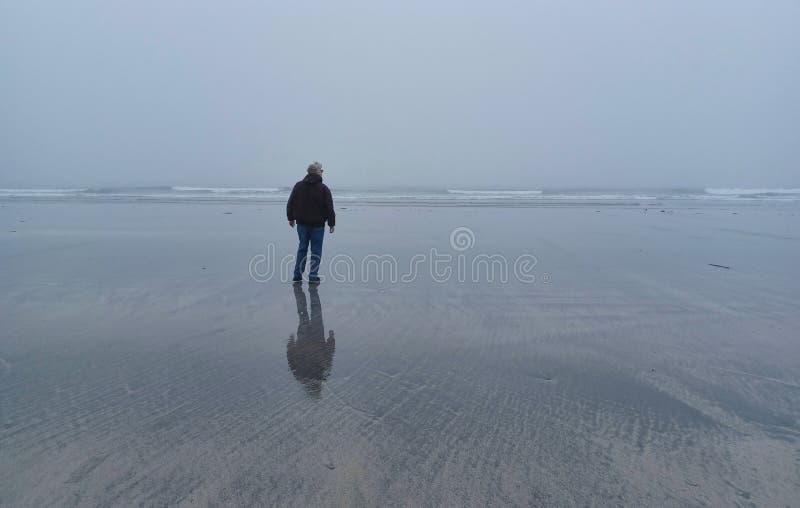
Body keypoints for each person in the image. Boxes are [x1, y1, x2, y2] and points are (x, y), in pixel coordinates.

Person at [286, 161, 335, 283]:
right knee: (316, 250)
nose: (322, 172)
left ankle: (297, 274)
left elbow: (290, 202)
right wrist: (331, 223)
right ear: (317, 172)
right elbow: (329, 208)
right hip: (318, 225)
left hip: (302, 224)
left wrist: (290, 218)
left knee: (302, 247)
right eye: (321, 171)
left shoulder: (298, 186)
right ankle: (313, 276)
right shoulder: (324, 189)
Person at [287, 284, 335, 398]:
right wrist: (290, 344)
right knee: (303, 313)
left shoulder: (304, 375)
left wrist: (331, 339)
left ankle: (312, 290)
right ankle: (307, 290)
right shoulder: (305, 375)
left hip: (313, 339)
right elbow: (291, 359)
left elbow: (329, 356)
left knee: (314, 311)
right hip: (311, 340)